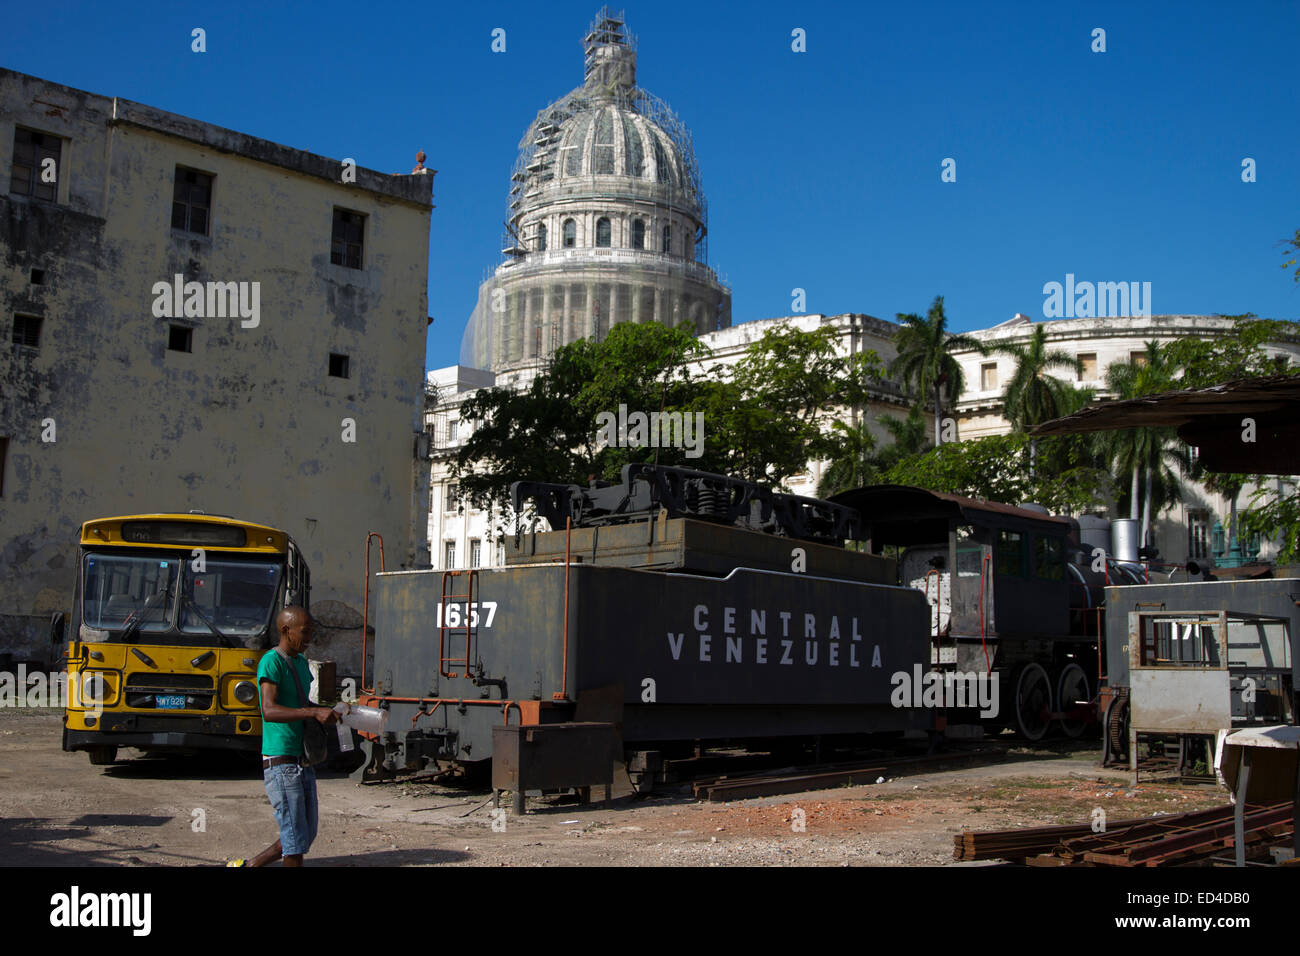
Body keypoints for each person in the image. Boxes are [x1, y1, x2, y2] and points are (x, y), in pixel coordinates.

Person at [242, 606, 338, 867]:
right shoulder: (271, 661)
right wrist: (311, 712)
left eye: (311, 633)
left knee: (303, 834)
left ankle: (251, 865)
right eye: (304, 633)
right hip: (281, 760)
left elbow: (300, 702)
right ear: (286, 630)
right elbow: (269, 710)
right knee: (295, 839)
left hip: (301, 758)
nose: (309, 639)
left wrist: (327, 710)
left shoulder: (300, 662)